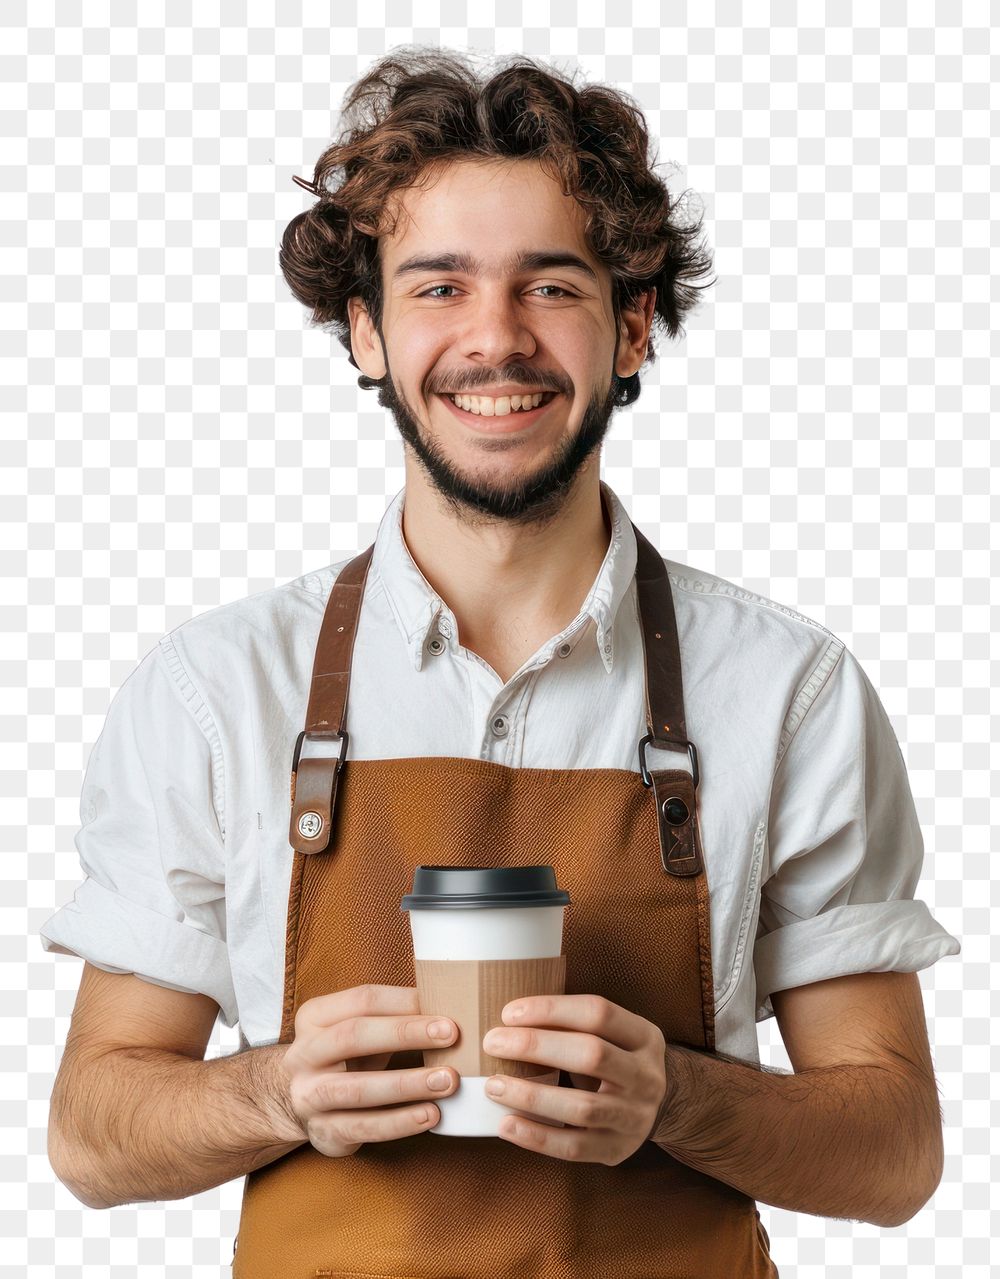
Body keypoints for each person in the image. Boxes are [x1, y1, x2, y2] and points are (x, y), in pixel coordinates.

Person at [42, 46, 960, 1278]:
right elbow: (91, 1136)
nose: (496, 339)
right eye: (437, 289)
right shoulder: (217, 690)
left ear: (631, 327)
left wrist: (675, 1100)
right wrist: (274, 1092)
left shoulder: (786, 690)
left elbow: (896, 1152)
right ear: (364, 333)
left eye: (551, 287)